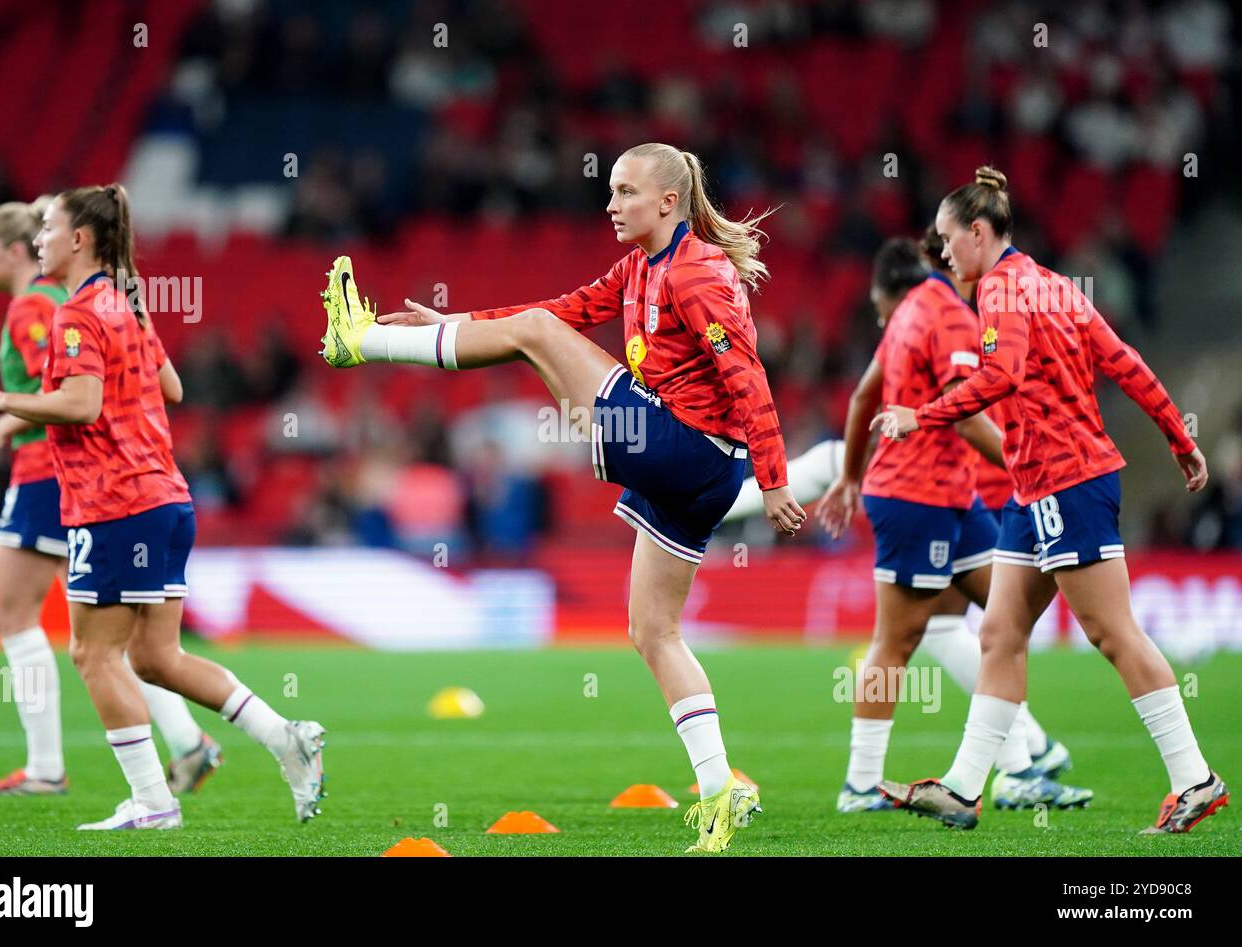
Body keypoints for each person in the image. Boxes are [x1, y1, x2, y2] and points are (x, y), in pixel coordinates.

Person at [318, 143, 802, 853]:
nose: (610, 204)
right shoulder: (641, 266)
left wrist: (776, 475)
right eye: (610, 190)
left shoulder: (697, 271)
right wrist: (459, 323)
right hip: (689, 463)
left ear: (668, 202)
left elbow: (746, 374)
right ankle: (720, 788)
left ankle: (362, 341)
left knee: (540, 337)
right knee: (652, 630)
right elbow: (563, 310)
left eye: (626, 191)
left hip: (688, 449)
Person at [872, 167, 1227, 834]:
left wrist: (923, 415)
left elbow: (1001, 374)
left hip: (1067, 478)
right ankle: (963, 788)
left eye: (949, 241)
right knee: (1001, 633)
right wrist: (1180, 438)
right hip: (1035, 485)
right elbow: (1123, 360)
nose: (944, 255)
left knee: (1112, 632)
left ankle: (1195, 777)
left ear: (979, 233)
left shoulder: (1003, 290)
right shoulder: (1056, 286)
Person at [0, 184, 325, 830]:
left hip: (112, 502)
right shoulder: (125, 304)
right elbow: (173, 385)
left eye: (47, 228)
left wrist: (4, 401)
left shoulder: (77, 312)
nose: (39, 238)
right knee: (156, 658)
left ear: (79, 239)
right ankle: (285, 736)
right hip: (165, 497)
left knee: (93, 654)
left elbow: (80, 404)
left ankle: (154, 804)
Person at [0, 198, 222, 798]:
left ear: (16, 250)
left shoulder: (32, 309)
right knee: (113, 637)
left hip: (56, 476)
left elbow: (70, 397)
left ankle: (49, 767)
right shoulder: (83, 298)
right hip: (105, 480)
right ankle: (186, 742)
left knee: (23, 620)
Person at [811, 235, 1089, 813]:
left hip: (952, 498)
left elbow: (864, 395)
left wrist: (850, 476)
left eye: (874, 301)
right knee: (897, 641)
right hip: (920, 498)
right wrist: (1024, 465)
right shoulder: (947, 317)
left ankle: (1016, 769)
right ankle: (861, 785)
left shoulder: (910, 313)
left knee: (1005, 621)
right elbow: (963, 419)